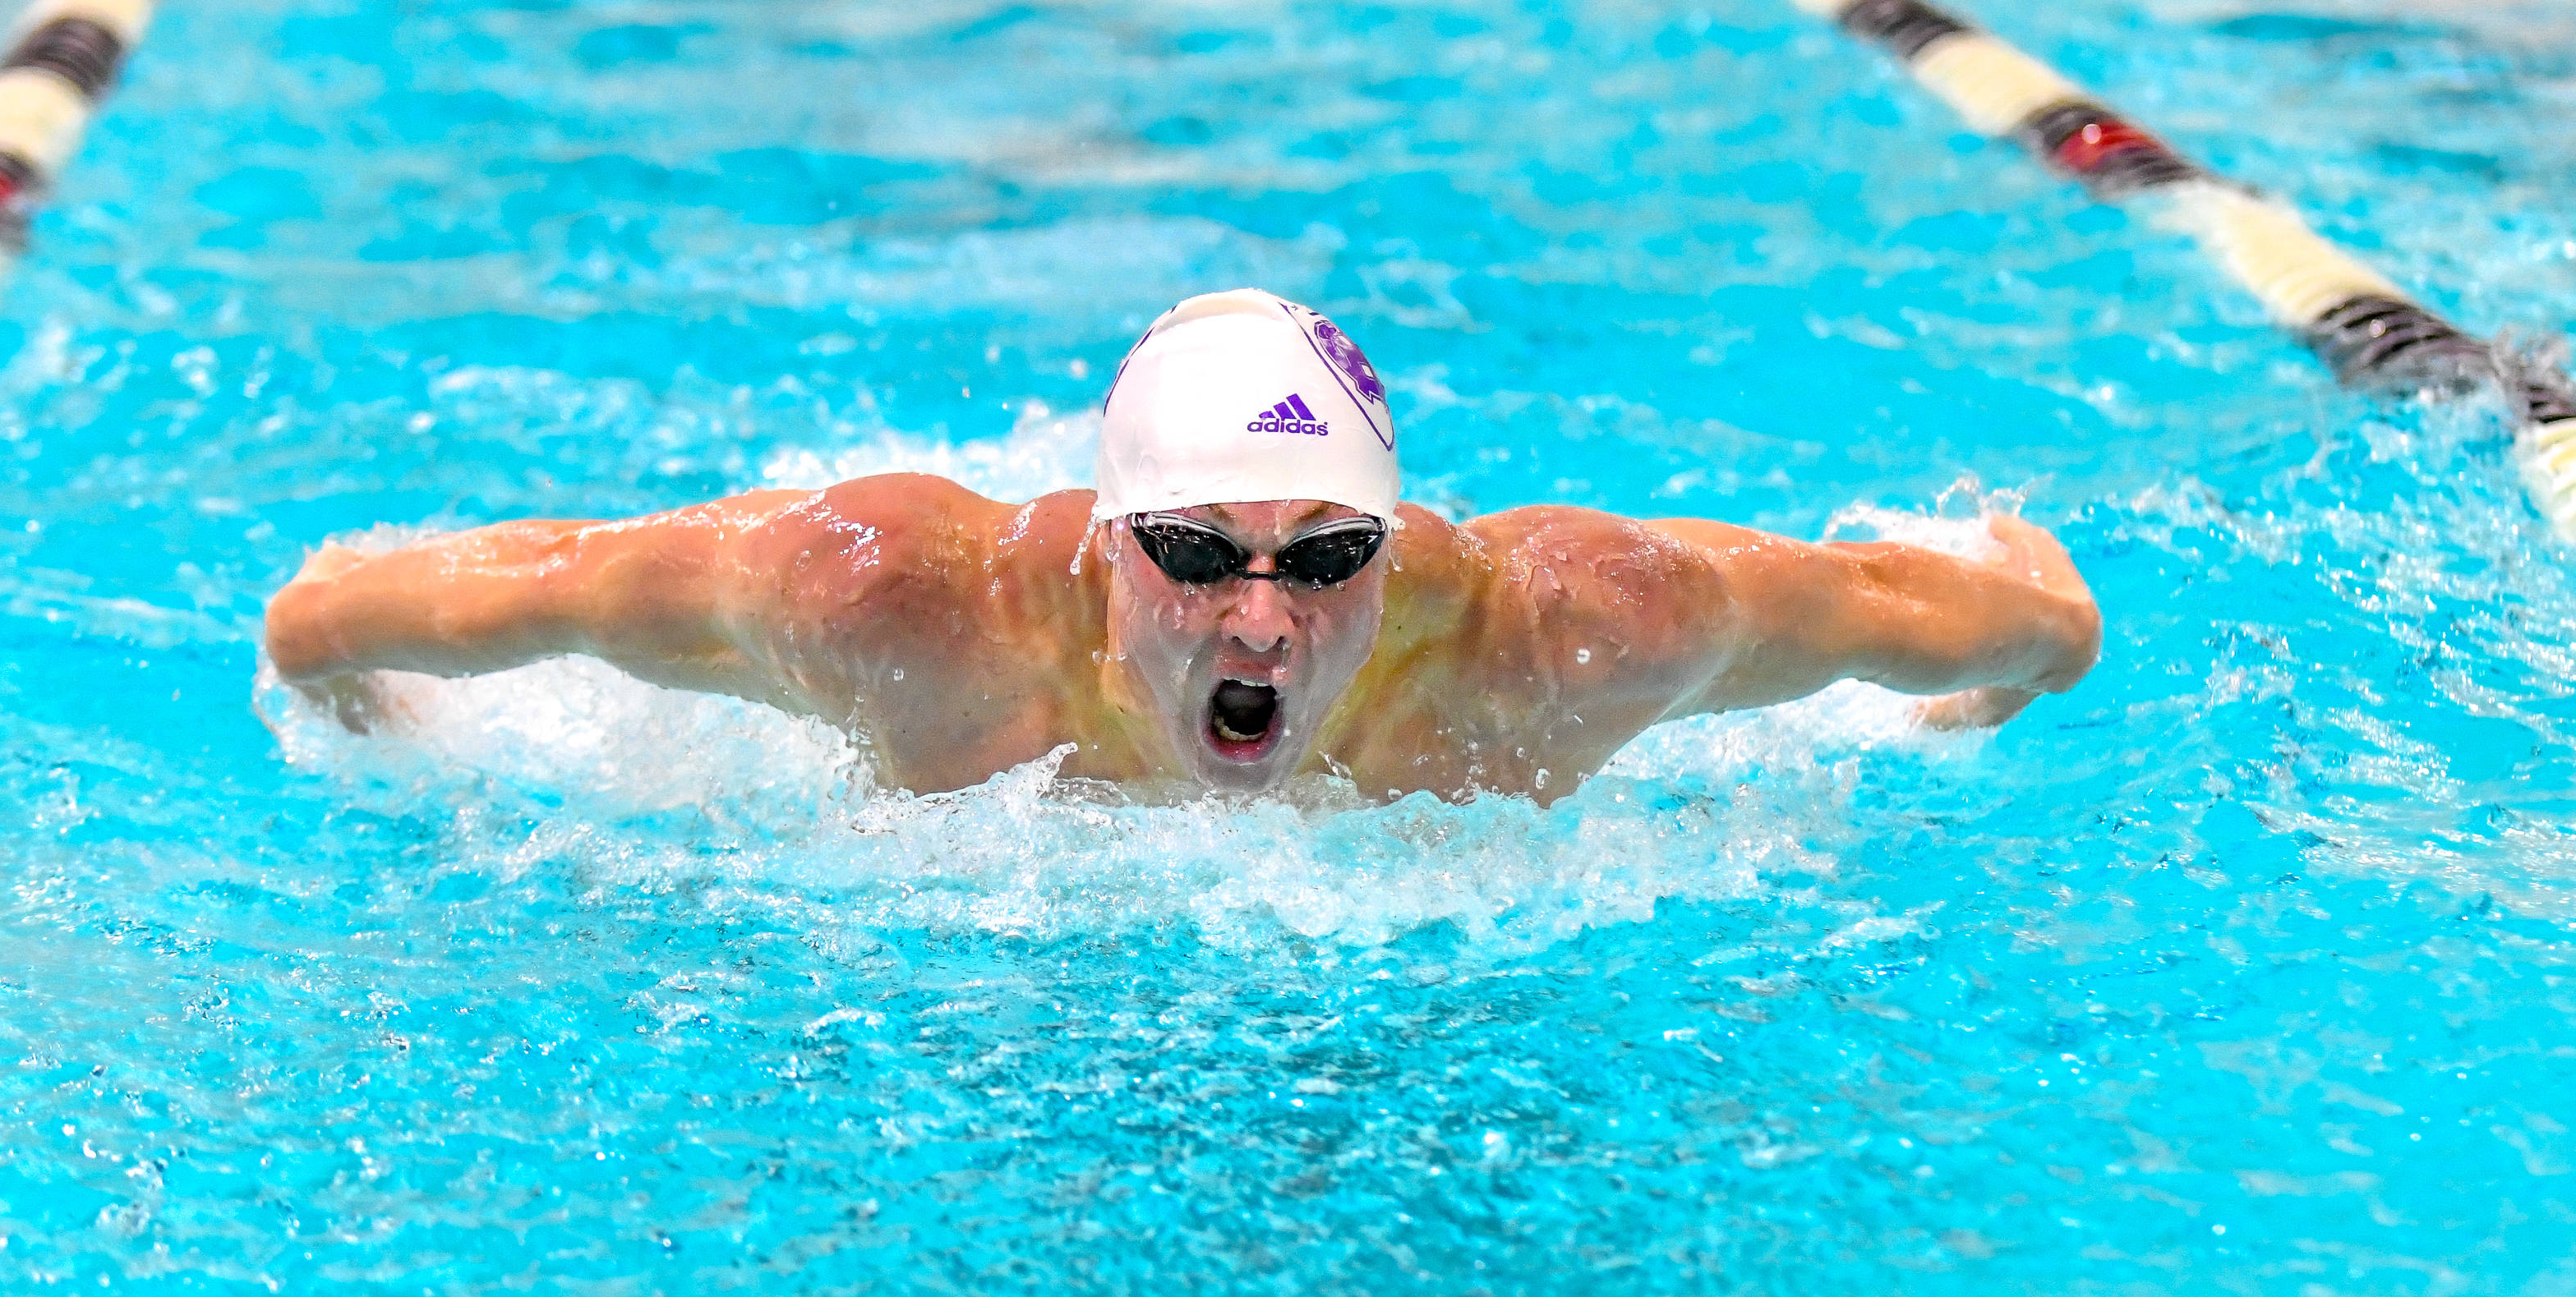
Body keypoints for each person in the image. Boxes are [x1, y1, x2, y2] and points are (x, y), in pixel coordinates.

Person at [263, 289, 2099, 803]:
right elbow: (365, 610)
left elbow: (2007, 626)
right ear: (1095, 545)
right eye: (1195, 551)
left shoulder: (1573, 634)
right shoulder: (891, 602)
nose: (1260, 619)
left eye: (1322, 563)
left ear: (1402, 550)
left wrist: (1982, 698)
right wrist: (367, 713)